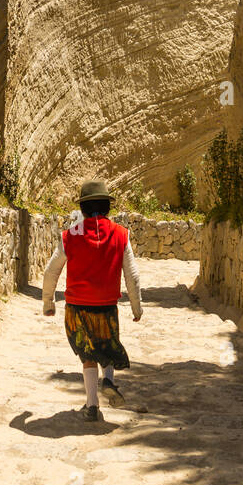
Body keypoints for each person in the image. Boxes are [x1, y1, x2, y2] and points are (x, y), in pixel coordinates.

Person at [42, 179, 142, 421]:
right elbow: (132, 275)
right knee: (106, 345)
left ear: (83, 209)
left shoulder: (70, 236)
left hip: (77, 306)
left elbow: (51, 271)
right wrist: (137, 307)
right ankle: (108, 379)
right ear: (108, 207)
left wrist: (48, 303)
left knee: (87, 355)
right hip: (107, 305)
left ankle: (92, 406)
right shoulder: (121, 235)